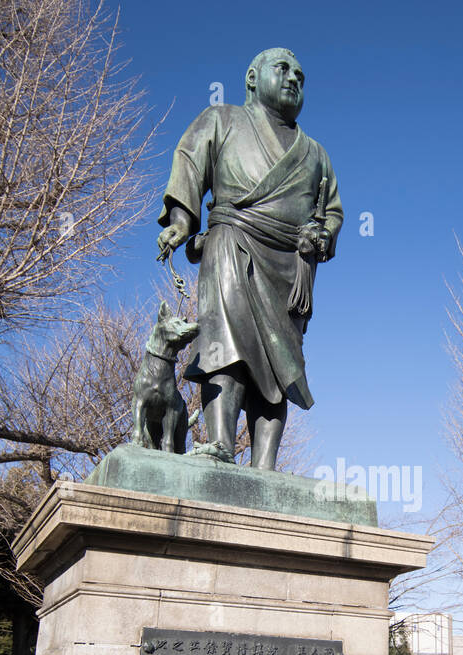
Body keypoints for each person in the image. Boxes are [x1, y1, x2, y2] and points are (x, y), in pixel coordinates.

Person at [156, 47, 343, 470]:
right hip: (232, 241)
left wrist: (323, 235)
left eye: (300, 74)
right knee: (224, 341)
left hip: (291, 267)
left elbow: (332, 211)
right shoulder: (221, 119)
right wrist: (183, 221)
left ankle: (265, 466)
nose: (294, 78)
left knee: (281, 364)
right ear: (252, 78)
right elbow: (190, 161)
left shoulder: (315, 152)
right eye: (283, 69)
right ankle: (220, 442)